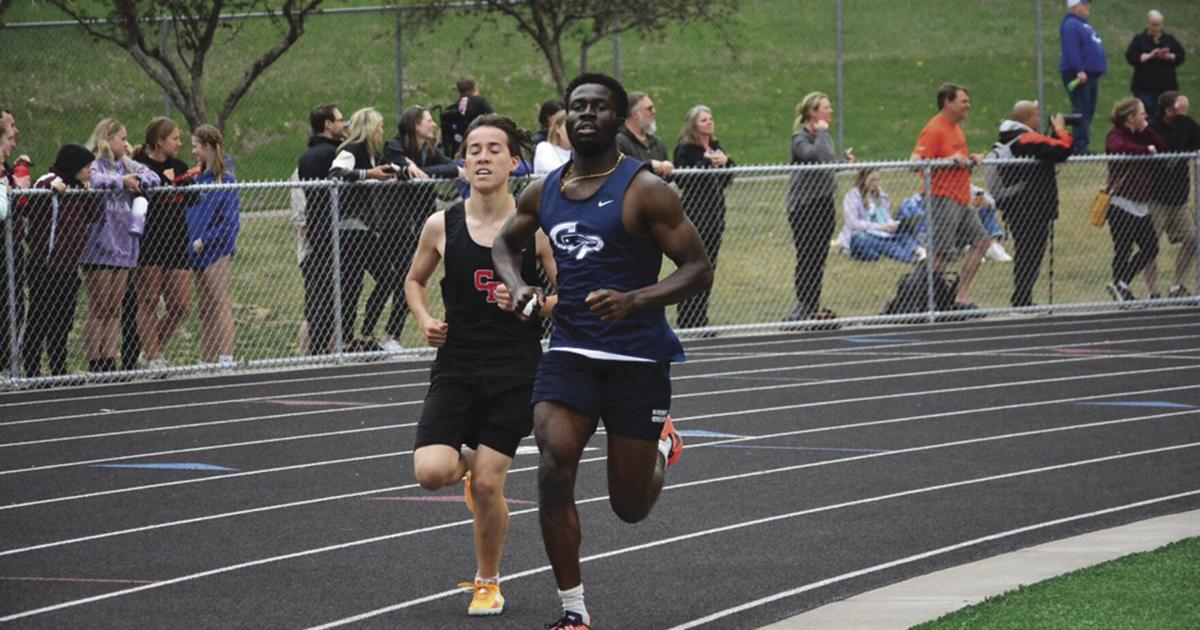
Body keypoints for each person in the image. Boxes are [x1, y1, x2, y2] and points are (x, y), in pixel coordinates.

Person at [493, 73, 712, 630]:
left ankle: (661, 446)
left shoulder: (646, 190)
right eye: (577, 106)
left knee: (629, 507)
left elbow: (697, 269)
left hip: (637, 359)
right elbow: (504, 243)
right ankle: (574, 612)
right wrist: (519, 287)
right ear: (565, 118)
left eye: (599, 106)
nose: (586, 114)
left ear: (618, 119)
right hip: (570, 352)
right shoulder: (544, 191)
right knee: (552, 463)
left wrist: (635, 299)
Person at [405, 114, 557, 618]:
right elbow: (415, 281)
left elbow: (569, 292)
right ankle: (469, 464)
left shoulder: (536, 228)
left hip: (515, 368)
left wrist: (533, 300)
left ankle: (487, 581)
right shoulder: (441, 224)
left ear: (515, 162)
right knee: (431, 473)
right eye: (474, 150)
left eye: (495, 149)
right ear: (463, 163)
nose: (484, 157)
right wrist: (425, 319)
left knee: (492, 484)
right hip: (457, 366)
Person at [362, 105, 461, 351]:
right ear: (415, 125)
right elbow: (403, 171)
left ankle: (391, 336)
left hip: (419, 226)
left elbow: (450, 167)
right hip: (394, 226)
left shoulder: (429, 149)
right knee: (396, 279)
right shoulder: (395, 147)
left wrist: (424, 170)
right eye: (428, 120)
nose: (433, 124)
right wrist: (410, 170)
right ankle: (367, 334)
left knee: (409, 279)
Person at [80, 118, 161, 374]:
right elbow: (95, 180)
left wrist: (137, 179)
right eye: (122, 139)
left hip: (125, 244)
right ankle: (96, 360)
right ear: (108, 139)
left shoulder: (127, 163)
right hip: (101, 245)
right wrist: (121, 181)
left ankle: (109, 360)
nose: (126, 144)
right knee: (99, 306)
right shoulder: (95, 164)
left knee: (114, 307)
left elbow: (153, 177)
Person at [23, 145, 101, 376]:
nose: (89, 171)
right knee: (40, 318)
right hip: (45, 265)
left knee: (63, 320)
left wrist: (88, 193)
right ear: (74, 166)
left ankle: (59, 368)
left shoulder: (78, 188)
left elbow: (94, 215)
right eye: (86, 167)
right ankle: (32, 369)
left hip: (68, 267)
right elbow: (30, 205)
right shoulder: (49, 180)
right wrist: (51, 190)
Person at [910, 83, 988, 311]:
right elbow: (914, 163)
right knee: (941, 253)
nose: (968, 105)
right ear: (948, 103)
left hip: (961, 197)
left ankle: (959, 295)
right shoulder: (934, 128)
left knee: (982, 242)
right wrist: (947, 160)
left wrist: (971, 160)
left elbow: (957, 161)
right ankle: (928, 300)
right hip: (941, 197)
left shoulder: (956, 129)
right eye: (963, 101)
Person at [328, 107, 398, 352]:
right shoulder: (351, 150)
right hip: (350, 228)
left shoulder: (374, 155)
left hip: (366, 227)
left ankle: (366, 334)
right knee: (352, 284)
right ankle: (346, 340)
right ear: (369, 129)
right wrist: (368, 174)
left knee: (387, 277)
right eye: (379, 127)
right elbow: (335, 173)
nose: (382, 132)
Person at [992, 100, 1074, 307]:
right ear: (1027, 119)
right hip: (1031, 207)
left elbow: (1049, 149)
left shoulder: (1011, 138)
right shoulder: (1025, 138)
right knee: (1031, 252)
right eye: (1037, 115)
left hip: (1018, 205)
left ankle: (1022, 297)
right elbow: (1064, 148)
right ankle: (1022, 298)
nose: (1039, 119)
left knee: (1026, 251)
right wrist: (1060, 129)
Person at [132, 117, 195, 370]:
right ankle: (154, 357)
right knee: (148, 300)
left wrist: (183, 183)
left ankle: (149, 350)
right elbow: (139, 198)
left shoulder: (179, 166)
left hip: (176, 241)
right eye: (175, 139)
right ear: (159, 141)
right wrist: (164, 183)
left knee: (180, 305)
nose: (180, 143)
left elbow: (192, 199)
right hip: (150, 241)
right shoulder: (141, 167)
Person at [786, 91, 853, 322]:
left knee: (819, 257)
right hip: (804, 206)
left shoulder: (824, 136)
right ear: (813, 112)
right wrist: (822, 132)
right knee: (807, 255)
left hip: (824, 203)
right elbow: (814, 157)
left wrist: (842, 163)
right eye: (826, 107)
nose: (830, 111)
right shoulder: (800, 138)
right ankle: (803, 303)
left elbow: (827, 164)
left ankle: (813, 303)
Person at [673, 104, 734, 331]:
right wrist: (705, 163)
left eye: (711, 119)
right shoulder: (685, 149)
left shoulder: (715, 146)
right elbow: (682, 180)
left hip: (716, 215)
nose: (709, 122)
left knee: (709, 268)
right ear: (693, 125)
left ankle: (701, 317)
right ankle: (687, 317)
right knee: (692, 266)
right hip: (696, 215)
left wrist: (725, 163)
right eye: (704, 120)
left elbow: (728, 179)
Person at [1103, 97, 1167, 302]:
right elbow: (1119, 148)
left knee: (1151, 246)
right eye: (1141, 113)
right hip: (1121, 203)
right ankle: (1121, 289)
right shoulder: (1115, 135)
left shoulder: (1141, 134)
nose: (1145, 116)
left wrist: (1146, 129)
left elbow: (1162, 146)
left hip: (1140, 203)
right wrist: (1145, 150)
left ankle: (1121, 283)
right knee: (1123, 248)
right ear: (1130, 118)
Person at [187, 125, 239, 367]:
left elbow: (230, 222)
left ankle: (226, 357)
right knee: (205, 310)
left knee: (220, 304)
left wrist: (205, 239)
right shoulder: (198, 178)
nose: (193, 151)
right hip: (195, 252)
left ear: (208, 147)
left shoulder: (225, 179)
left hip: (214, 250)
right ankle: (205, 360)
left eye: (196, 146)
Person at [297, 103, 346, 356]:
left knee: (321, 290)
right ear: (328, 124)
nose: (343, 124)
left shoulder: (306, 157)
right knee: (336, 290)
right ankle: (329, 344)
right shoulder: (334, 154)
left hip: (317, 229)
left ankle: (319, 346)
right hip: (335, 228)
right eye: (339, 120)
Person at [1146, 92, 1199, 298]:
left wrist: (1184, 120)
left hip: (1179, 198)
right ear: (1168, 111)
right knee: (1150, 245)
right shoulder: (1153, 128)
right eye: (1180, 109)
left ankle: (1177, 286)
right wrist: (1182, 120)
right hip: (1156, 198)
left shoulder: (1185, 124)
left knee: (1192, 239)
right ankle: (1153, 291)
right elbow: (1172, 148)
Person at [838, 168, 924, 264]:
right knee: (878, 243)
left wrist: (893, 224)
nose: (875, 183)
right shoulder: (852, 196)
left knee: (902, 233)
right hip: (862, 234)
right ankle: (912, 260)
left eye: (877, 180)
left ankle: (919, 251)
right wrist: (881, 227)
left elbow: (886, 217)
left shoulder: (880, 195)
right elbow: (853, 223)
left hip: (883, 233)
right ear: (862, 180)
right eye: (872, 180)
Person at [0, 119, 29, 372]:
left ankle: (8, 359)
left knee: (15, 302)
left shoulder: (6, 169)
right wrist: (11, 188)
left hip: (13, 244)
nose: (13, 143)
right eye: (9, 139)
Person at [1059, 0, 1106, 154]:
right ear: (1075, 6)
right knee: (1081, 109)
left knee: (1088, 110)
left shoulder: (1083, 25)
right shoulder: (1071, 24)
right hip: (1079, 74)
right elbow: (1071, 48)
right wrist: (1079, 69)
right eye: (1084, 4)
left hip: (1090, 75)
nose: (1087, 6)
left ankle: (1082, 143)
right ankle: (1079, 146)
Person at [1125, 10, 1186, 120]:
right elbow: (1131, 57)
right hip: (1144, 88)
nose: (1156, 28)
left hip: (1167, 88)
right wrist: (1150, 55)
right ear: (1148, 24)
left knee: (1167, 117)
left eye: (1158, 25)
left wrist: (1169, 56)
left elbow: (1180, 55)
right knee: (1148, 116)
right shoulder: (1139, 40)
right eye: (1153, 25)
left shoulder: (1169, 39)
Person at [616, 91, 674, 179]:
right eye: (649, 109)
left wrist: (668, 168)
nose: (654, 111)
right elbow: (621, 169)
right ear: (635, 114)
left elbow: (668, 179)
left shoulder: (658, 143)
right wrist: (650, 165)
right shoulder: (619, 141)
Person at [533, 110, 572, 177]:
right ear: (557, 129)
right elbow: (553, 169)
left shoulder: (579, 152)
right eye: (567, 127)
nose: (571, 131)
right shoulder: (544, 147)